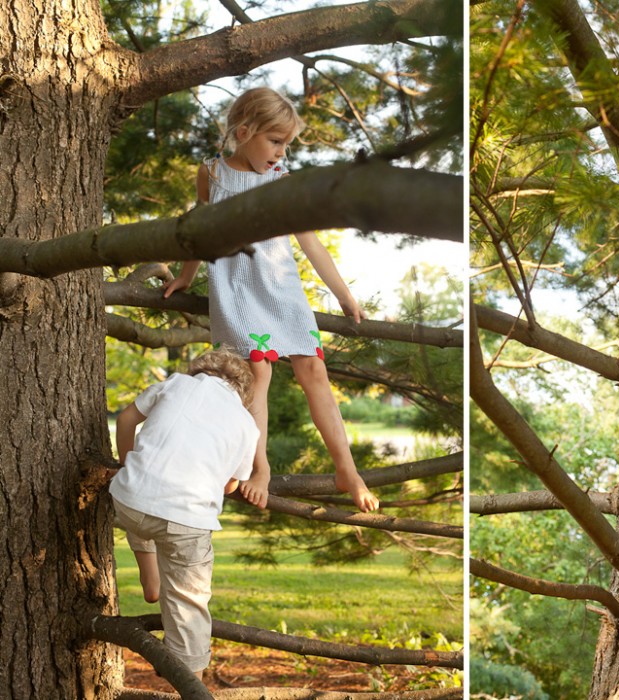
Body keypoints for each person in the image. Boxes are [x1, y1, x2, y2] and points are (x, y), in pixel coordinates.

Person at [162, 86, 378, 513]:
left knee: (314, 369)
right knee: (258, 371)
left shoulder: (283, 182)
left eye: (286, 144)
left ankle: (346, 470)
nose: (281, 152)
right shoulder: (213, 174)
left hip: (281, 290)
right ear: (244, 132)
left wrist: (344, 295)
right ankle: (259, 467)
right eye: (275, 142)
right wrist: (186, 277)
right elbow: (198, 231)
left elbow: (311, 245)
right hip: (237, 288)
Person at [110, 349, 260, 677]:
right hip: (185, 520)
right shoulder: (247, 425)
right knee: (189, 602)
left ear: (199, 371)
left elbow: (125, 420)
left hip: (129, 501)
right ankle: (190, 676)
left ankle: (150, 577)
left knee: (144, 496)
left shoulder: (175, 383)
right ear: (242, 390)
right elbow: (232, 485)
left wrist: (127, 463)